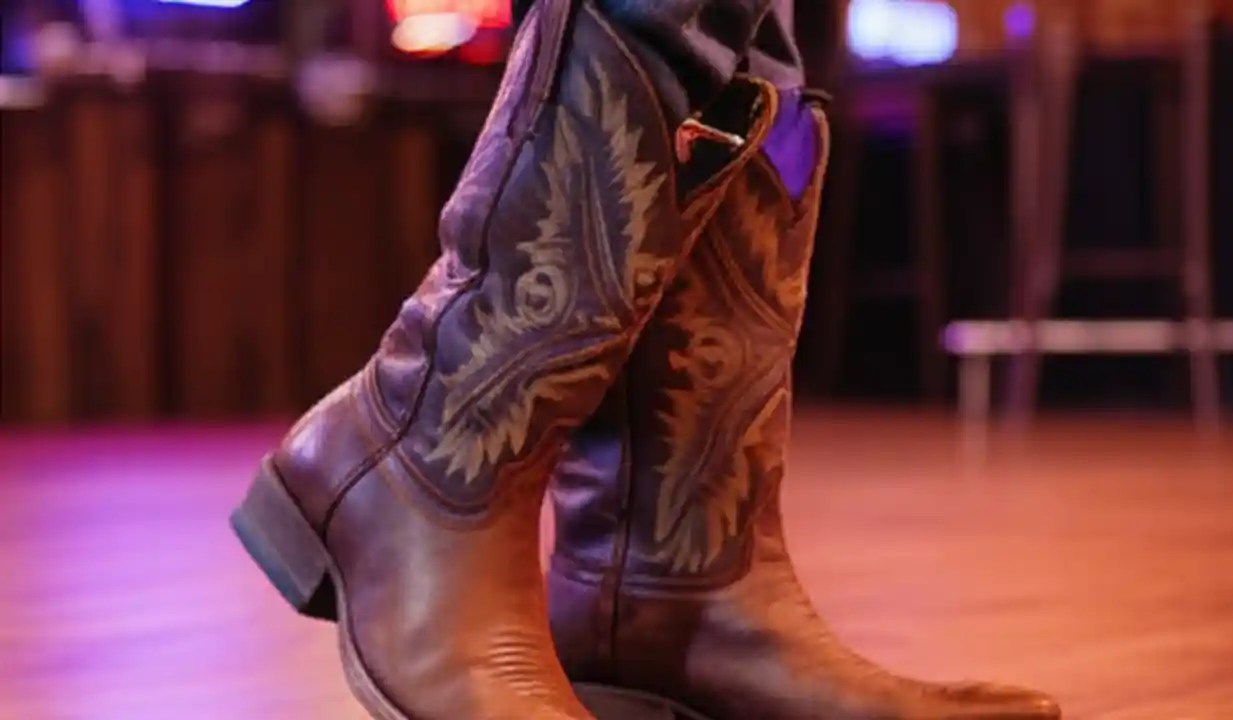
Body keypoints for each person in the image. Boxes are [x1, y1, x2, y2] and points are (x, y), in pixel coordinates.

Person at [232, 1, 1061, 717]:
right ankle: (423, 450)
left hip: (668, 584)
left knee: (741, 56)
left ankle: (676, 584)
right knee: (665, 23)